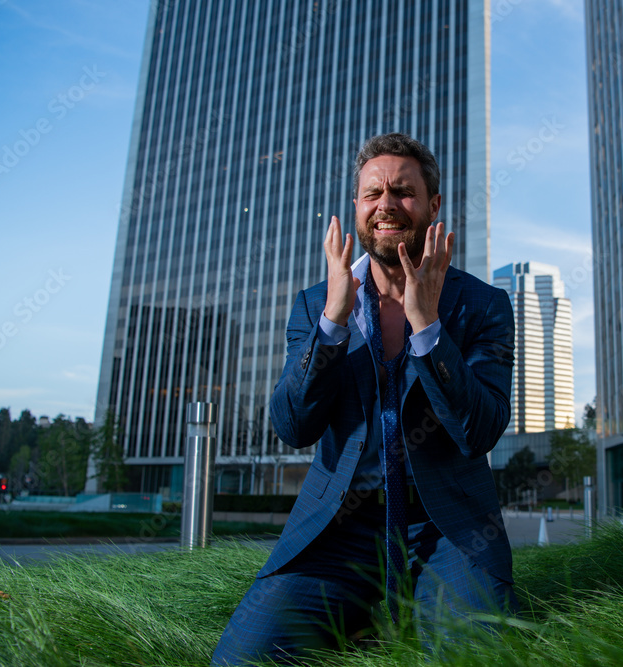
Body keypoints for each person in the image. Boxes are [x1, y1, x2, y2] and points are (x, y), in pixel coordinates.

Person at [211, 133, 516, 665]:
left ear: (433, 205)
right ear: (356, 206)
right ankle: (361, 610)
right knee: (242, 660)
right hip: (338, 528)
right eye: (373, 193)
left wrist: (428, 326)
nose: (386, 205)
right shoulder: (316, 305)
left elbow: (480, 432)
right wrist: (333, 320)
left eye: (403, 192)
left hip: (448, 528)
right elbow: (292, 427)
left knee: (476, 660)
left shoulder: (483, 305)